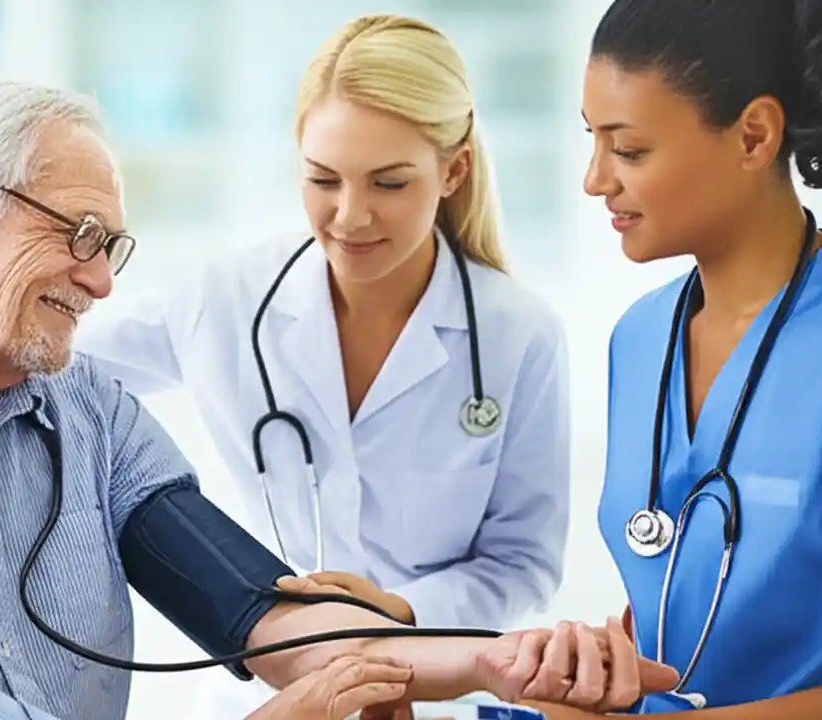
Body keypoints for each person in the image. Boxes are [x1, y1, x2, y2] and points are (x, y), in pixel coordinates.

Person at [0, 76, 674, 720]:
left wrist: (502, 661)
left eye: (112, 247)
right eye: (79, 234)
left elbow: (258, 610)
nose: (101, 283)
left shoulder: (91, 411)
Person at [74, 14, 570, 717]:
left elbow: (523, 561)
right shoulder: (227, 301)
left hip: (434, 688)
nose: (350, 215)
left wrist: (396, 612)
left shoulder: (518, 335)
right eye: (323, 179)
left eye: (389, 183)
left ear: (453, 169)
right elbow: (51, 359)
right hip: (270, 693)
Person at [530, 0, 822, 717]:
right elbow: (683, 586)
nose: (594, 180)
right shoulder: (639, 338)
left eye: (629, 150)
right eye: (592, 141)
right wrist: (594, 674)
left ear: (754, 135)